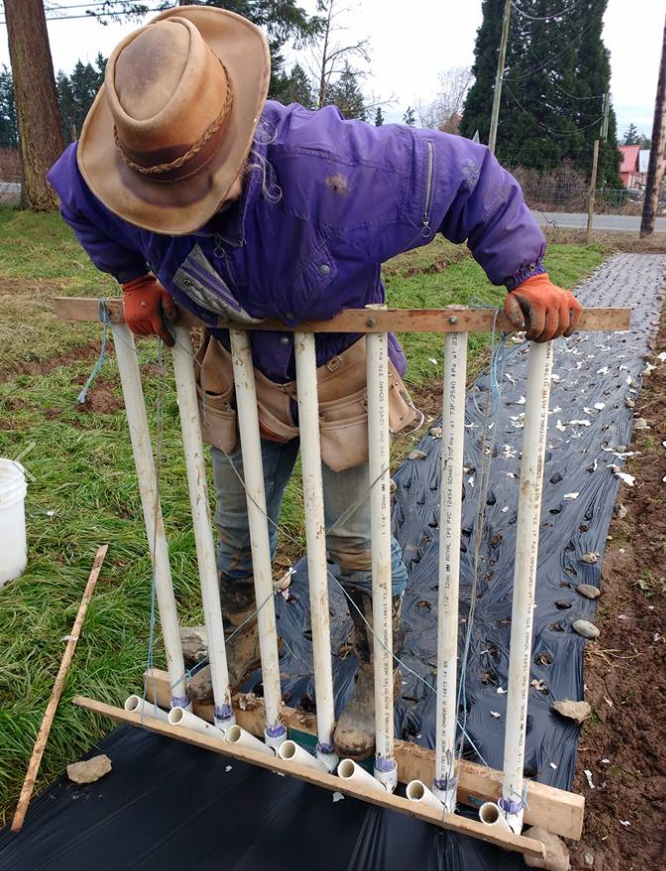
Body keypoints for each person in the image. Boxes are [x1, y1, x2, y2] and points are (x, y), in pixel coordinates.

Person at [48, 6, 581, 761]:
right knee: (235, 528)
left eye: (198, 190)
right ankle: (239, 647)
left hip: (336, 365)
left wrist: (526, 270)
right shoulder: (112, 167)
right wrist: (134, 277)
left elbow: (469, 174)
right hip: (228, 361)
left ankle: (374, 673)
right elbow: (78, 201)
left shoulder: (336, 167)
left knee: (354, 540)